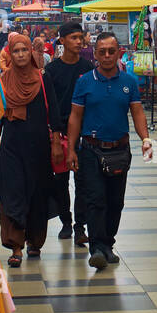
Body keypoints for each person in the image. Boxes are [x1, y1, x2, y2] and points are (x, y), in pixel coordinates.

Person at [66, 31, 153, 271]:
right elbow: (75, 116)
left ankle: (108, 244)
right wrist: (71, 149)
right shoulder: (85, 81)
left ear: (119, 53)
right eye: (101, 51)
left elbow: (137, 112)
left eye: (111, 51)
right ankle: (96, 248)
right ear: (95, 54)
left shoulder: (129, 82)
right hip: (91, 150)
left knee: (116, 201)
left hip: (120, 151)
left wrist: (145, 139)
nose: (106, 55)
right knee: (95, 200)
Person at [0, 31, 64, 268]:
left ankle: (35, 241)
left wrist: (56, 142)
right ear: (10, 54)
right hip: (12, 146)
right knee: (12, 191)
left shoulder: (42, 79)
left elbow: (53, 111)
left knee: (37, 192)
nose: (21, 54)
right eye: (16, 51)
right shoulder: (3, 80)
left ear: (30, 52)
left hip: (39, 146)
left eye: (24, 50)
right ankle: (15, 246)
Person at [48, 20, 92, 245]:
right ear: (62, 40)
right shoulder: (52, 70)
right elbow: (50, 106)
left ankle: (80, 226)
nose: (78, 41)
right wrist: (55, 138)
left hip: (84, 135)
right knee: (60, 181)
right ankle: (66, 221)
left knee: (83, 182)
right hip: (60, 134)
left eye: (80, 37)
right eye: (73, 38)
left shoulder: (88, 69)